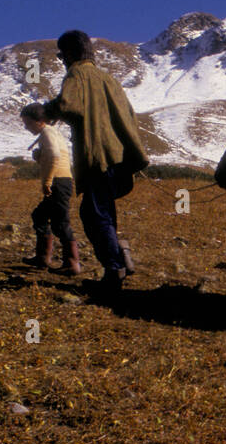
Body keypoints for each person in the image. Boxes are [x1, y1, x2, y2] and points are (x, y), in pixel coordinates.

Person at [43, 30, 149, 299]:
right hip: (117, 157)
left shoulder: (77, 74)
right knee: (105, 213)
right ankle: (120, 259)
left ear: (69, 54)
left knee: (94, 215)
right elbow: (128, 115)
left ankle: (114, 269)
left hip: (97, 157)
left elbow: (67, 104)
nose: (62, 61)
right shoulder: (109, 79)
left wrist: (46, 111)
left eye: (61, 56)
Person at [19, 103, 81, 275]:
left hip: (58, 182)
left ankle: (72, 263)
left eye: (28, 123)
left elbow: (54, 155)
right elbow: (52, 156)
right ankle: (43, 258)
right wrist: (40, 157)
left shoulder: (47, 133)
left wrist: (47, 182)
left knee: (60, 222)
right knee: (39, 216)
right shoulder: (50, 132)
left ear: (39, 121)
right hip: (61, 181)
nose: (26, 127)